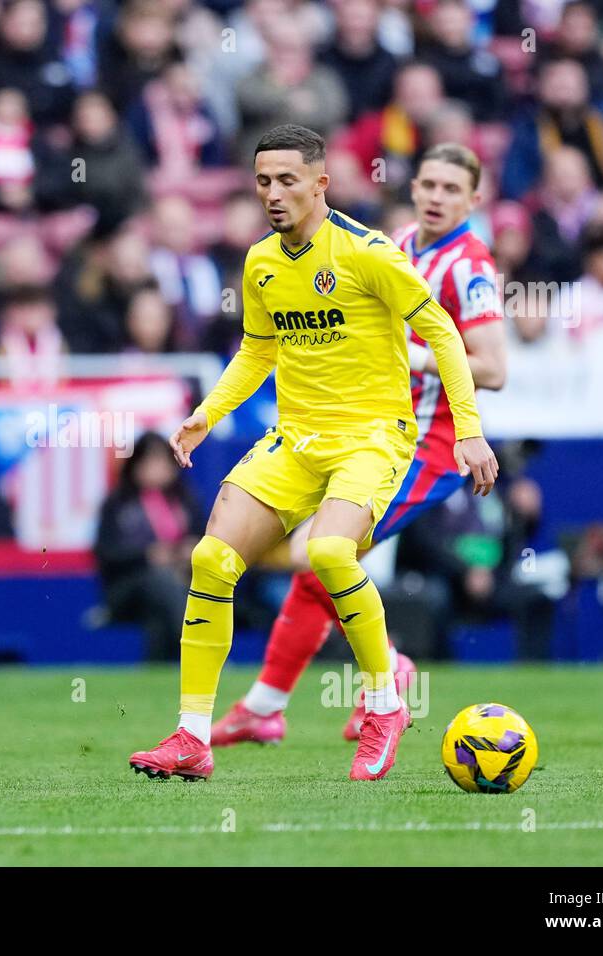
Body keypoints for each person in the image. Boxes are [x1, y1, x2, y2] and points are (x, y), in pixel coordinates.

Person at [128, 126, 498, 783]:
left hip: (374, 437)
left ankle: (384, 701)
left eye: (288, 180)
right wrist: (206, 416)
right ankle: (192, 737)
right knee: (211, 558)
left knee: (326, 553)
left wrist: (468, 428)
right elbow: (257, 349)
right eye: (263, 180)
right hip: (295, 440)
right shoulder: (260, 261)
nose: (273, 193)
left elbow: (443, 331)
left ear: (320, 184)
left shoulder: (371, 252)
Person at [214, 142, 508, 747]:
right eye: (428, 184)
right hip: (356, 428)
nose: (435, 197)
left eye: (451, 190)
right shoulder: (392, 244)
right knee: (318, 564)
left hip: (425, 444)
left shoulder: (470, 266)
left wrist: (409, 351)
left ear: (474, 201)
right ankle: (265, 706)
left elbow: (495, 368)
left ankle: (388, 672)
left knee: (315, 556)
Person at [95, 434, 204, 661]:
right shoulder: (117, 503)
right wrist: (147, 556)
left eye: (162, 462)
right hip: (128, 587)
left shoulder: (185, 500)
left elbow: (204, 539)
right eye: (149, 462)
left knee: (161, 610)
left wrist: (190, 551)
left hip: (180, 581)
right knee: (160, 581)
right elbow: (105, 553)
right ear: (135, 465)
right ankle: (198, 651)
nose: (156, 469)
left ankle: (162, 671)